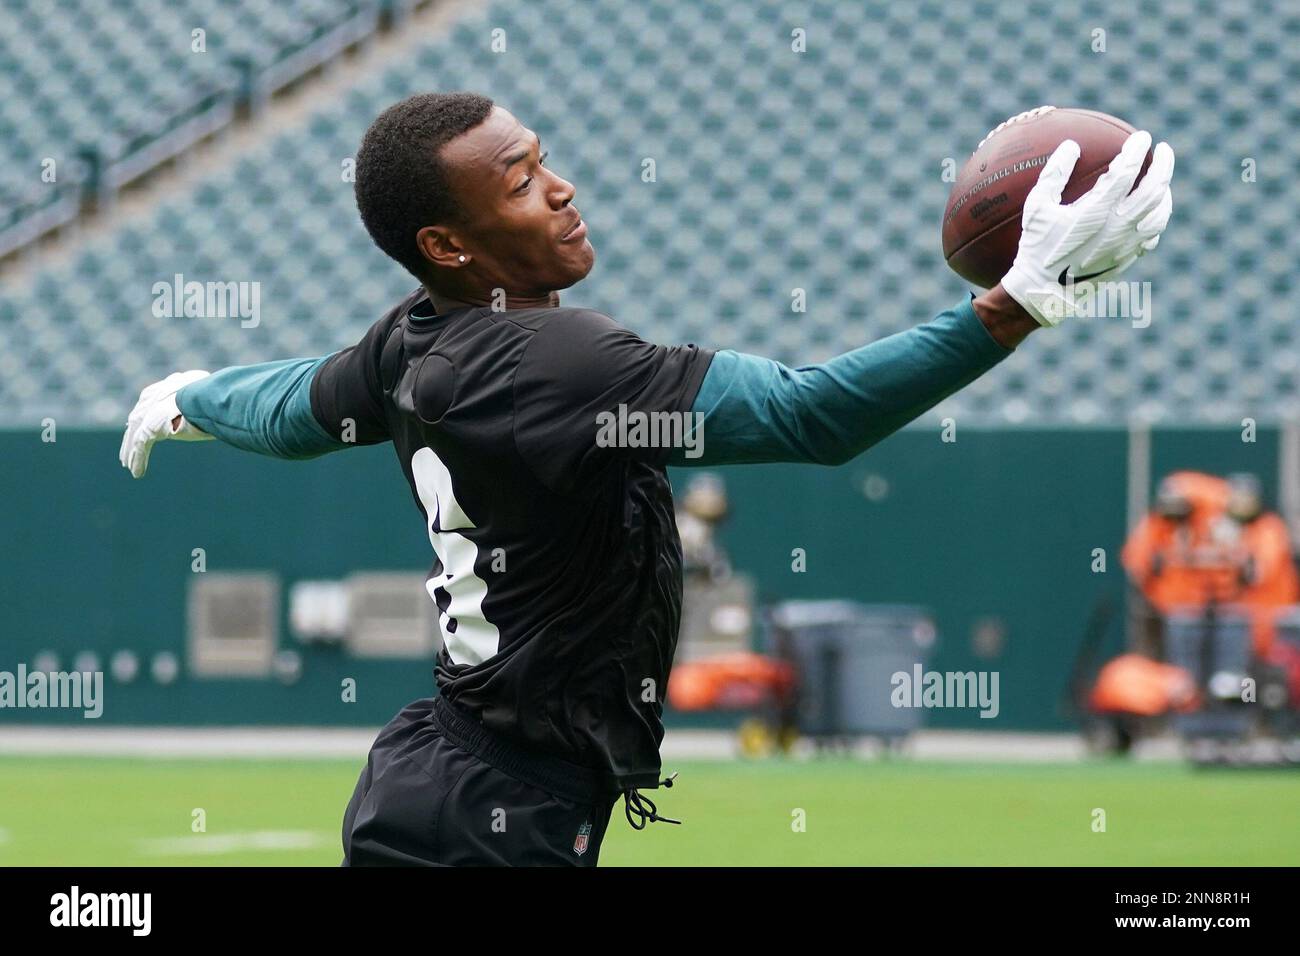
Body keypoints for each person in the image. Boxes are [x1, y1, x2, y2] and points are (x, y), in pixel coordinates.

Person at [119, 93, 1174, 865]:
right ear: (445, 241)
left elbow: (298, 407)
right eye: (522, 180)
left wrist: (195, 395)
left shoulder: (412, 339)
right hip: (491, 809)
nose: (561, 186)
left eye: (543, 158)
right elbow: (813, 414)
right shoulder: (556, 364)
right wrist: (1016, 300)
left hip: (458, 778)